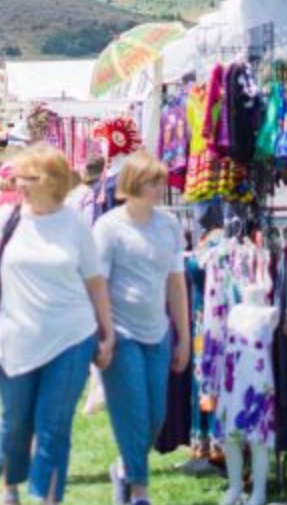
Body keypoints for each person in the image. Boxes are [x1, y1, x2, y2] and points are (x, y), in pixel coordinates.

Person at [0, 145, 114, 505]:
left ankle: (48, 499)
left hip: (71, 338)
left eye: (28, 178)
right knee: (16, 421)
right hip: (14, 338)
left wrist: (106, 331)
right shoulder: (9, 220)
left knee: (53, 427)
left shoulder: (76, 225)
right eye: (17, 177)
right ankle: (10, 487)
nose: (19, 184)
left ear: (51, 181)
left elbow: (95, 282)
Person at [95, 153, 190, 505]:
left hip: (158, 333)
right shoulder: (108, 227)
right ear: (133, 183)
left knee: (156, 415)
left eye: (160, 181)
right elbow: (98, 285)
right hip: (122, 334)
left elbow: (176, 284)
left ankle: (123, 467)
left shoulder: (168, 226)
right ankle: (139, 491)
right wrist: (105, 333)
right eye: (153, 182)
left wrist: (184, 338)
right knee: (132, 412)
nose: (160, 188)